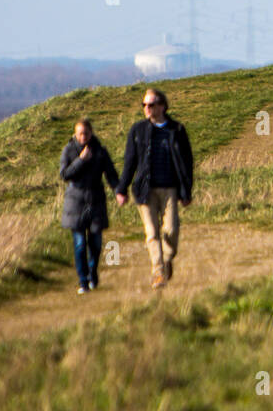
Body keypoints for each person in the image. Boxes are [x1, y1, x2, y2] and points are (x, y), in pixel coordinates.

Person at [115, 87, 194, 290]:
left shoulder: (177, 130)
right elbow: (130, 162)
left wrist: (186, 192)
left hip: (170, 189)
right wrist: (121, 189)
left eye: (151, 104)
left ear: (162, 106)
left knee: (171, 231)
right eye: (144, 105)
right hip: (145, 190)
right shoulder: (137, 130)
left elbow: (187, 163)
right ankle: (158, 272)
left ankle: (167, 261)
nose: (147, 108)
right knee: (152, 232)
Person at [59, 118, 119, 295]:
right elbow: (64, 174)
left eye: (86, 133)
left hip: (96, 201)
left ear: (91, 133)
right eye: (80, 134)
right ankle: (83, 281)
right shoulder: (68, 150)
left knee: (96, 242)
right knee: (79, 244)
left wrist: (118, 190)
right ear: (75, 134)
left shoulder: (100, 150)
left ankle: (93, 274)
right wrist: (80, 160)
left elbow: (110, 173)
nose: (83, 136)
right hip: (75, 202)